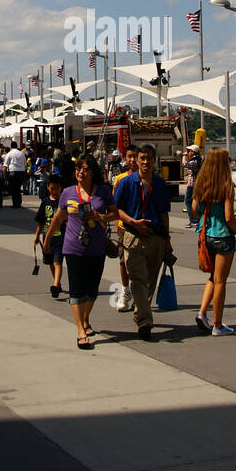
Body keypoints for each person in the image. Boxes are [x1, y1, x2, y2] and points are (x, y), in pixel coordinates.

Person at [41, 154, 118, 349]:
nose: (80, 173)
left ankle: (85, 319)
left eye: (85, 169)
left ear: (93, 173)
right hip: (73, 248)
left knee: (91, 289)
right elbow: (58, 217)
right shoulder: (68, 192)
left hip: (96, 247)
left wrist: (101, 216)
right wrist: (47, 239)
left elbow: (115, 214)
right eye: (78, 169)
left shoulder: (103, 192)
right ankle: (80, 330)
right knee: (76, 289)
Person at [114, 143, 173, 342]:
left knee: (150, 281)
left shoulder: (160, 184)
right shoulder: (126, 182)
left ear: (154, 160)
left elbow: (164, 213)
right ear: (136, 161)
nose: (145, 162)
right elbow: (116, 210)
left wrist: (167, 240)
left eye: (149, 158)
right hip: (133, 237)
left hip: (156, 237)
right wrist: (132, 222)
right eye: (142, 158)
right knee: (138, 279)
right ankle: (145, 321)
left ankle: (141, 313)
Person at [190, 147, 236, 334]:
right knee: (221, 281)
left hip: (205, 234)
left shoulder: (200, 183)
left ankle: (202, 312)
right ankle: (217, 324)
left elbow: (194, 210)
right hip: (223, 235)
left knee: (212, 277)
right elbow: (229, 216)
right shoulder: (226, 185)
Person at [110, 147, 139, 312]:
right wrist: (116, 224)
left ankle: (138, 292)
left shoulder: (146, 178)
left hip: (140, 226)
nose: (133, 160)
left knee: (138, 262)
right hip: (123, 226)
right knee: (123, 260)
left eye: (135, 156)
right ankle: (125, 290)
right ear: (125, 159)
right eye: (130, 157)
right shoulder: (120, 179)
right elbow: (115, 205)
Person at [34, 174, 66, 298]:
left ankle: (56, 284)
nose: (55, 191)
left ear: (61, 188)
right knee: (51, 263)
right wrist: (36, 236)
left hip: (60, 237)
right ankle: (57, 283)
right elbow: (41, 221)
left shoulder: (63, 202)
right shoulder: (45, 202)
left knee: (58, 261)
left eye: (57, 188)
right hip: (47, 237)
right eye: (52, 188)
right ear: (48, 187)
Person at [4, 141, 28, 208]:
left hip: (12, 172)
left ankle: (15, 203)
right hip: (21, 172)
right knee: (18, 187)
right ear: (17, 146)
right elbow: (25, 164)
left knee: (13, 188)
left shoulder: (9, 154)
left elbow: (6, 165)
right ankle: (19, 203)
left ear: (11, 146)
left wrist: (4, 175)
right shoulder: (21, 154)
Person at [182, 145, 201, 227]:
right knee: (195, 202)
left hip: (192, 184)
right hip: (194, 184)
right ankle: (196, 219)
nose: (188, 152)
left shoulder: (195, 161)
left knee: (188, 201)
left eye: (189, 151)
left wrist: (183, 156)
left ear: (193, 152)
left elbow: (184, 164)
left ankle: (193, 220)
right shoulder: (197, 159)